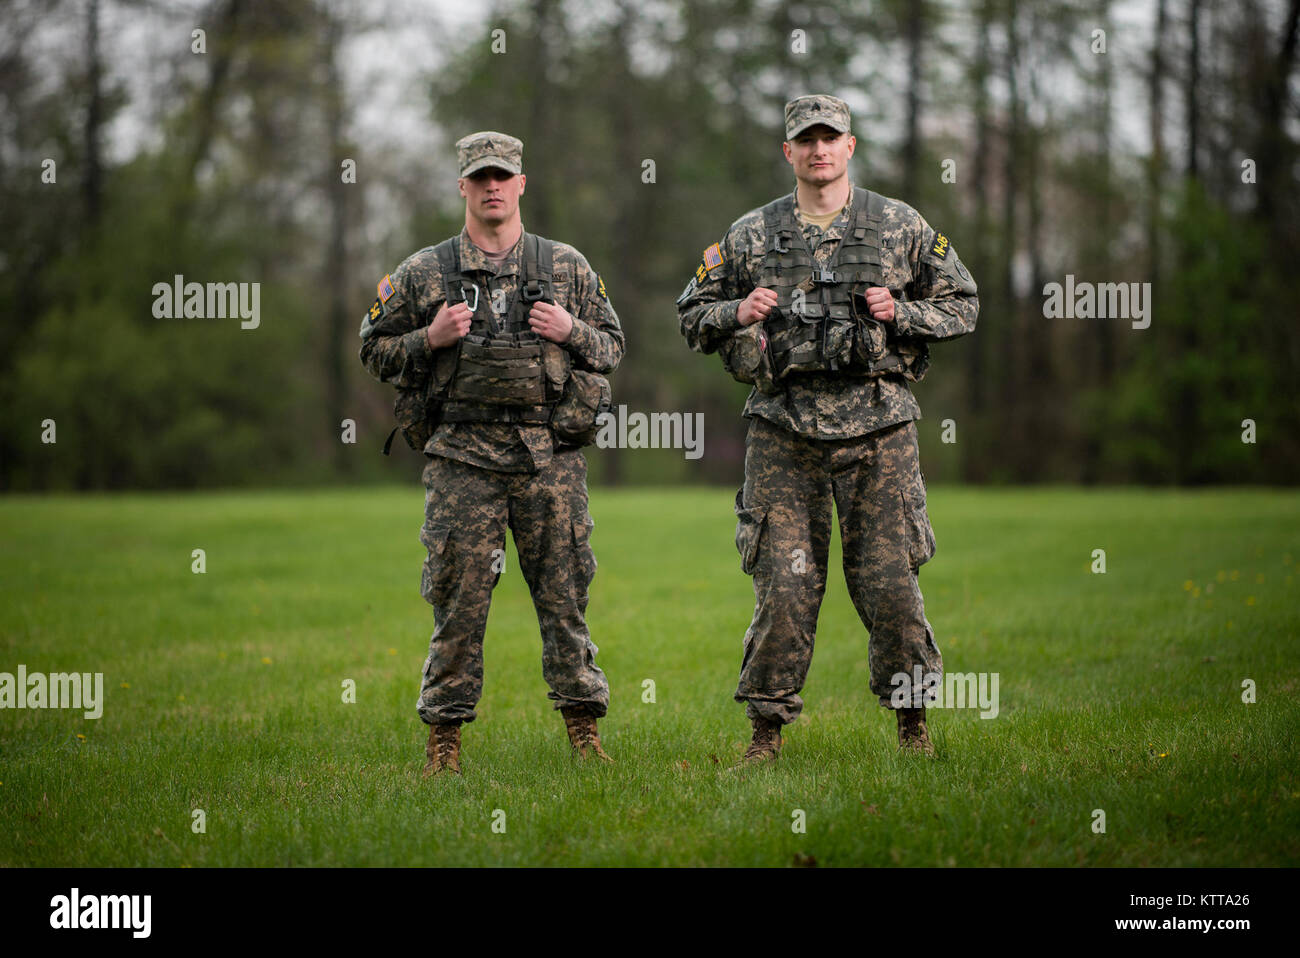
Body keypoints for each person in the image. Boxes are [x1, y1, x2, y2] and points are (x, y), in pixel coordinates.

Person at [676, 95, 978, 761]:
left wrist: (902, 313)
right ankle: (765, 737)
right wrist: (735, 312)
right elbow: (692, 313)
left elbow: (963, 304)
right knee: (784, 588)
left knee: (892, 585)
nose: (818, 149)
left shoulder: (901, 226)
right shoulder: (750, 235)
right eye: (805, 139)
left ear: (849, 146)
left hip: (880, 431)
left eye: (830, 137)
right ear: (788, 152)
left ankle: (913, 725)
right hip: (784, 434)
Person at [359, 132, 624, 776]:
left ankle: (584, 739)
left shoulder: (566, 266)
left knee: (565, 601)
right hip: (461, 463)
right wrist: (428, 337)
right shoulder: (424, 272)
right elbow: (372, 349)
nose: (493, 187)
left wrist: (571, 329)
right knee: (458, 601)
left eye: (503, 176)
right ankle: (444, 748)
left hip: (549, 461)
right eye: (480, 178)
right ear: (463, 188)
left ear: (522, 183)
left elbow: (611, 347)